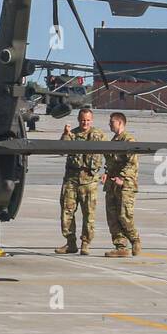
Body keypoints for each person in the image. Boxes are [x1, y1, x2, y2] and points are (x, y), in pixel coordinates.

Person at [56, 107, 105, 254]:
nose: (85, 123)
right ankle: (70, 243)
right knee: (67, 211)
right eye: (83, 120)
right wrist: (65, 134)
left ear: (92, 120)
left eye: (88, 120)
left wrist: (107, 172)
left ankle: (86, 243)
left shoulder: (98, 135)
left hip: (90, 180)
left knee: (89, 214)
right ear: (79, 120)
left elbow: (110, 153)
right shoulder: (72, 134)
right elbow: (61, 150)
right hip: (72, 179)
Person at [102, 111, 140, 258]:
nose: (109, 124)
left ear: (120, 123)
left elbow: (132, 162)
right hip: (112, 184)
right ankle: (120, 246)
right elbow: (110, 162)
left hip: (125, 185)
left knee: (124, 215)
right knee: (112, 216)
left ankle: (135, 239)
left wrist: (122, 178)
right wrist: (107, 172)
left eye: (112, 122)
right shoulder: (114, 141)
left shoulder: (128, 140)